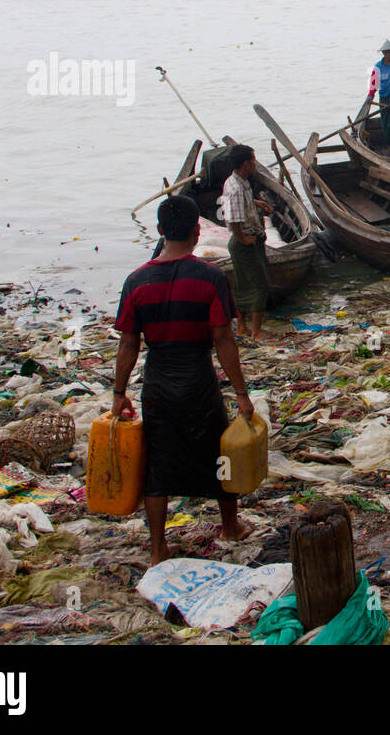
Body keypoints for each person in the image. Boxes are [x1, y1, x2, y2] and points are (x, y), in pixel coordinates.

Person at [112, 195, 254, 565]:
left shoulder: (136, 282)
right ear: (196, 232)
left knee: (158, 461)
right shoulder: (210, 278)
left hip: (158, 380)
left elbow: (128, 344)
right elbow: (223, 339)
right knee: (218, 451)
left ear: (160, 231)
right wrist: (241, 393)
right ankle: (230, 526)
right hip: (197, 379)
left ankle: (158, 547)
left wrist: (119, 393)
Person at [221, 145, 273, 341]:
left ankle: (242, 327)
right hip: (244, 242)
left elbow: (241, 204)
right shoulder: (235, 188)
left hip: (245, 241)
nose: (254, 163)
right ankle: (256, 331)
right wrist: (244, 239)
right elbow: (233, 219)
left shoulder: (240, 182)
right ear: (245, 163)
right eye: (253, 160)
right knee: (260, 285)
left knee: (242, 284)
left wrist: (256, 203)